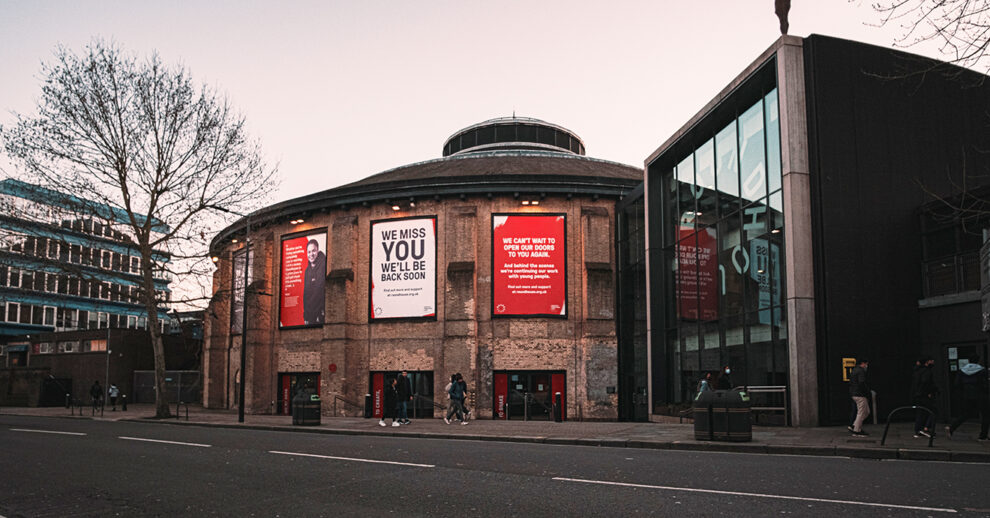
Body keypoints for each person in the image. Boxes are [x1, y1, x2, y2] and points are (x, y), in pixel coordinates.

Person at [946, 355, 990, 441]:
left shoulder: (962, 371)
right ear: (978, 361)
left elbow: (957, 384)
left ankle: (952, 428)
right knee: (986, 415)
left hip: (967, 395)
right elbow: (985, 384)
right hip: (980, 395)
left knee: (967, 414)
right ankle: (983, 436)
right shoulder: (982, 370)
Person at [912, 357, 938, 438]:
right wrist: (929, 392)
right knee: (933, 411)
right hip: (924, 395)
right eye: (931, 360)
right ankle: (925, 428)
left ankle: (918, 429)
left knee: (920, 412)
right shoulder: (926, 371)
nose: (933, 361)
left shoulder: (917, 371)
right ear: (927, 362)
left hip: (917, 395)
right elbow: (925, 382)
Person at [302, 239, 326, 325]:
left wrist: (320, 313)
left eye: (313, 251)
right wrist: (306, 315)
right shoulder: (307, 271)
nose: (311, 254)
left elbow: (320, 291)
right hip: (310, 316)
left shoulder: (324, 265)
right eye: (309, 252)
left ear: (317, 251)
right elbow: (306, 294)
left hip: (320, 315)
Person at [849, 359, 870, 436]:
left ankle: (855, 425)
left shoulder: (854, 370)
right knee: (861, 412)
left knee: (866, 411)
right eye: (866, 364)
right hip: (860, 394)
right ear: (863, 363)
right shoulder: (861, 371)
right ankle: (856, 430)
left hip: (854, 393)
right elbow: (862, 383)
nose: (866, 366)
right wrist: (867, 391)